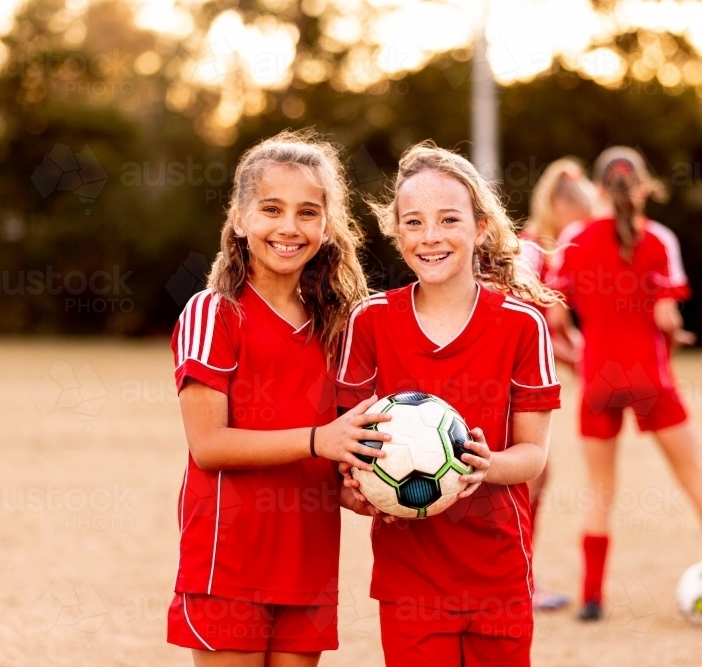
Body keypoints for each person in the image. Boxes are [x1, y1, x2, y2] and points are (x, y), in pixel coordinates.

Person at [166, 131, 393, 667]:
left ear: (326, 226)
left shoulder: (338, 322)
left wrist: (356, 489)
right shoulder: (214, 313)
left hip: (308, 558)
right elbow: (209, 446)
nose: (289, 227)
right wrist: (322, 441)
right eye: (271, 209)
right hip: (230, 559)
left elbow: (325, 450)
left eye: (308, 212)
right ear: (240, 219)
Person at [337, 142, 561, 667]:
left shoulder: (521, 324)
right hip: (409, 576)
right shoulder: (370, 322)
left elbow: (533, 455)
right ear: (395, 232)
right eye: (413, 222)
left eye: (448, 219)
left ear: (481, 227)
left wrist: (489, 465)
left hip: (498, 569)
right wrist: (354, 486)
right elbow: (345, 443)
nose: (430, 236)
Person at [549, 146, 702, 622]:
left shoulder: (573, 237)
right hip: (650, 375)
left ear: (596, 189)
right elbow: (667, 316)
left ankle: (592, 599)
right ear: (645, 187)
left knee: (599, 490)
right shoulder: (660, 240)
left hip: (599, 378)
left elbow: (554, 315)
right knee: (694, 477)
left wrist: (580, 356)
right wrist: (669, 344)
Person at [518, 158, 595, 611]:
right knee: (528, 475)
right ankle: (518, 579)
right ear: (560, 209)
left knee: (537, 476)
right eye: (579, 221)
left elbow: (559, 330)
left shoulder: (555, 252)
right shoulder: (530, 251)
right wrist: (575, 356)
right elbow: (529, 325)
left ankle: (523, 575)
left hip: (533, 383)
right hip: (513, 381)